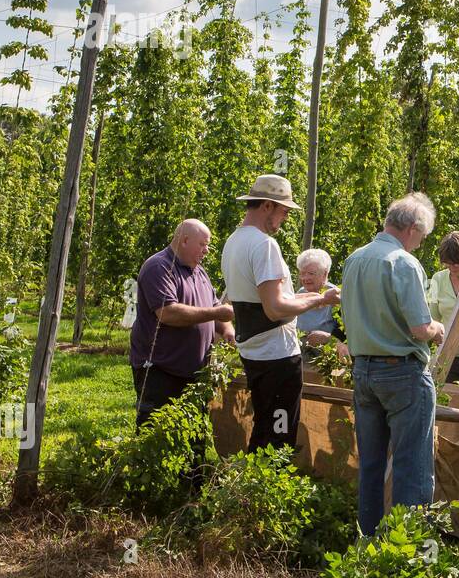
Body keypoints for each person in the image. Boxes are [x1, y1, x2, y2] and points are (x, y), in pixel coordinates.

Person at [339, 192, 444, 537]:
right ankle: (407, 552)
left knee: (369, 465)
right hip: (401, 373)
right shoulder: (403, 262)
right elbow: (419, 328)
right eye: (422, 238)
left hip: (363, 371)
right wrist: (437, 328)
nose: (420, 246)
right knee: (411, 466)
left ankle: (366, 541)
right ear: (413, 228)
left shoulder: (354, 259)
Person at [220, 175, 339, 454]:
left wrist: (311, 298)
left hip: (254, 351)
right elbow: (274, 309)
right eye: (284, 211)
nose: (284, 218)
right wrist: (319, 299)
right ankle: (265, 492)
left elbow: (261, 301)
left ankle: (246, 490)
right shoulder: (264, 245)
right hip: (278, 357)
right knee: (279, 434)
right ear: (267, 206)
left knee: (263, 425)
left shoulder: (233, 242)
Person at [129, 219, 234, 429]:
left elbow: (215, 311)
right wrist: (218, 312)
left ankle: (195, 464)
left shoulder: (199, 271)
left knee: (193, 434)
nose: (206, 251)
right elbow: (168, 313)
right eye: (203, 245)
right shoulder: (159, 267)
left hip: (194, 373)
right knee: (158, 434)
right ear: (185, 240)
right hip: (161, 371)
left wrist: (228, 330)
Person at [426, 231, 459, 384]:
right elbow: (432, 317)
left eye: (455, 263)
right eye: (447, 263)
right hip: (448, 356)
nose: (451, 267)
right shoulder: (437, 279)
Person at [295, 248, 349, 373]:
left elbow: (348, 341)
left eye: (311, 273)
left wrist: (328, 339)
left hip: (329, 367)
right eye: (302, 273)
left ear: (325, 274)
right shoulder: (300, 293)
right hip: (301, 362)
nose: (305, 278)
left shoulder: (337, 298)